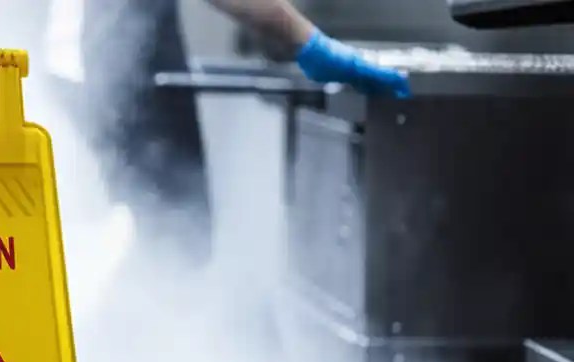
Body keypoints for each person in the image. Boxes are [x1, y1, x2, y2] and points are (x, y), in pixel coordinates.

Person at [73, 0, 409, 272]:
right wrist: (310, 43)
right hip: (125, 98)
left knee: (161, 247)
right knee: (159, 251)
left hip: (110, 88)